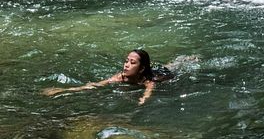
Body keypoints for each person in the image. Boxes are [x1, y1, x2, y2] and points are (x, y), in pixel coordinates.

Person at [42, 49, 173, 106]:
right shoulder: (120, 77)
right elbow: (96, 85)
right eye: (126, 61)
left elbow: (148, 92)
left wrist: (143, 100)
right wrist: (62, 90)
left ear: (142, 68)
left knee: (169, 68)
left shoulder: (147, 80)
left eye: (132, 63)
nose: (126, 65)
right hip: (147, 70)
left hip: (160, 74)